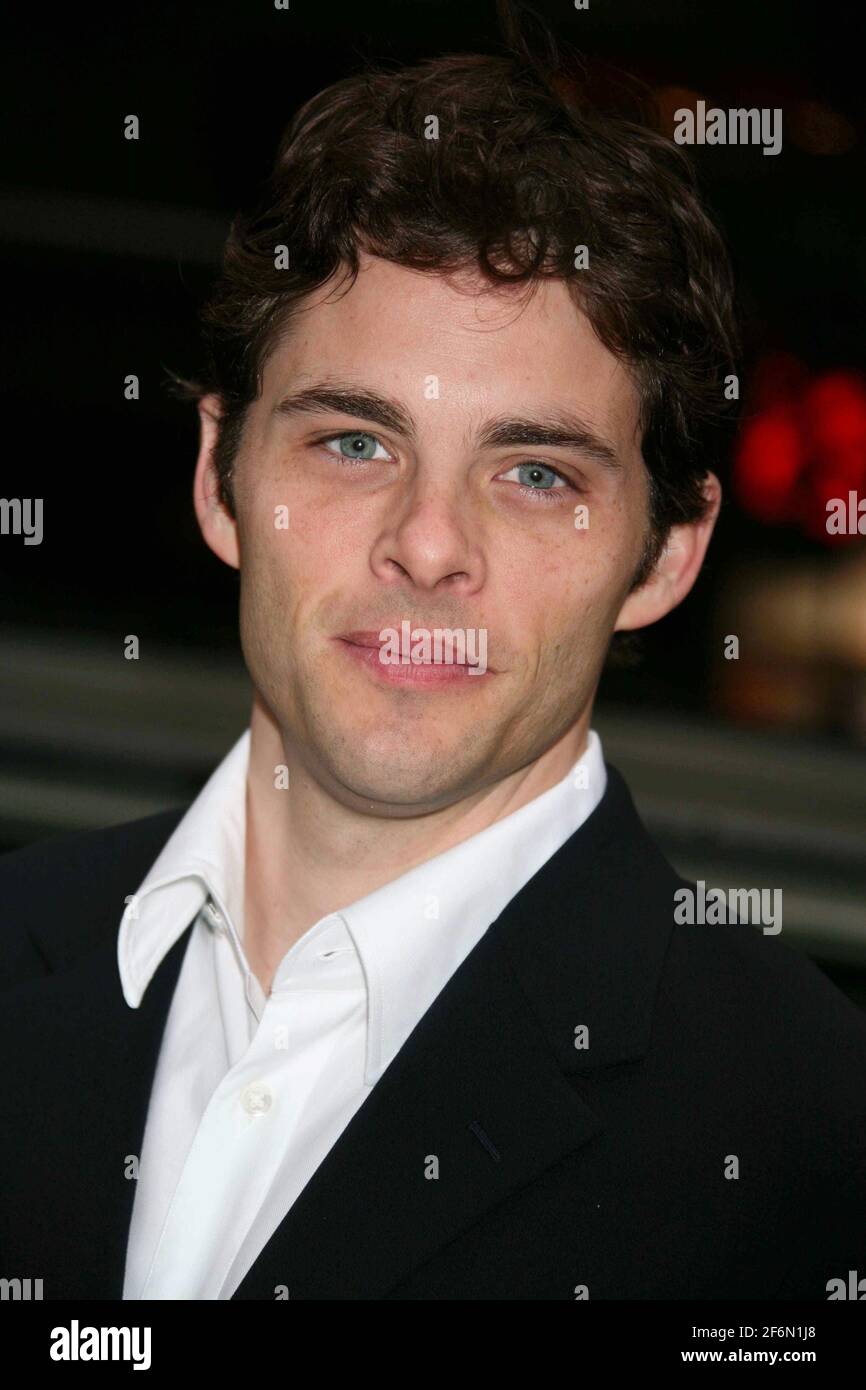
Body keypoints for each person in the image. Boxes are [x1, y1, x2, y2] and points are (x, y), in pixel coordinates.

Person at [1, 13, 864, 1301]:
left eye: (533, 473)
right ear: (219, 478)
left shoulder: (811, 1140)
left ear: (668, 555)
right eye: (355, 442)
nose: (428, 543)